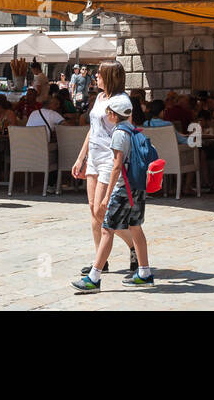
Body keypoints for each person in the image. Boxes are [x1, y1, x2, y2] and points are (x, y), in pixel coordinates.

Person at [71, 94, 154, 292]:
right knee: (135, 227)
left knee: (107, 228)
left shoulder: (118, 134)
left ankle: (94, 277)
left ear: (112, 115)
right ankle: (144, 273)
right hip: (137, 187)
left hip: (123, 188)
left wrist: (107, 196)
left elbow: (116, 167)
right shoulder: (135, 130)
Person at [71, 60, 138, 277]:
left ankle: (133, 246)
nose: (95, 77)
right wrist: (81, 158)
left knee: (102, 210)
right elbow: (93, 129)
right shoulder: (100, 97)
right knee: (93, 210)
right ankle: (101, 259)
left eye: (99, 74)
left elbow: (128, 130)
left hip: (110, 158)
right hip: (94, 158)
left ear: (109, 76)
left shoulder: (122, 101)